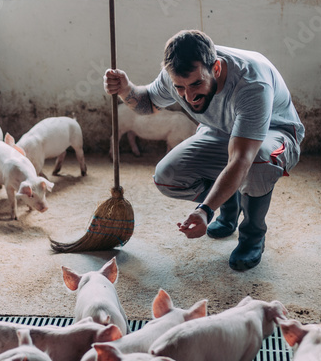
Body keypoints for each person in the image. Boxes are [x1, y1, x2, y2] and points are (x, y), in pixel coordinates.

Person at [104, 30, 304, 271]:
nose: (189, 97)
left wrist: (205, 211)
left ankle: (252, 236)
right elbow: (148, 103)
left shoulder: (252, 83)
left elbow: (241, 159)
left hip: (274, 133)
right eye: (180, 87)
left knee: (256, 163)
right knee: (167, 177)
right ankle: (230, 202)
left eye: (197, 84)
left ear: (216, 69)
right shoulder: (176, 73)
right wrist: (126, 89)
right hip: (221, 129)